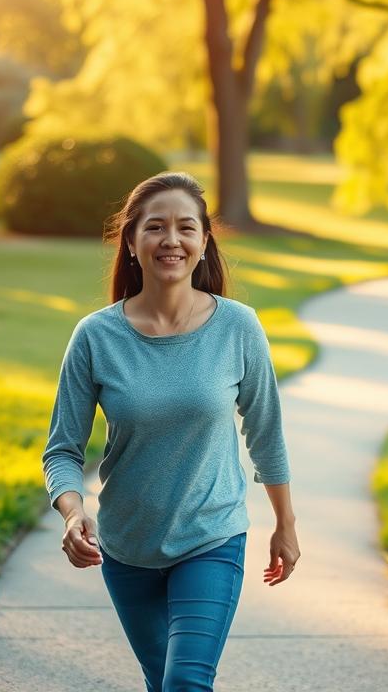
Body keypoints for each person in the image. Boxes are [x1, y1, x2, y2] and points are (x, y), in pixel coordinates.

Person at [42, 171, 299, 692]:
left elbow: (266, 433)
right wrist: (73, 515)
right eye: (156, 228)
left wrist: (285, 524)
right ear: (132, 243)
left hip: (212, 536)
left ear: (204, 243)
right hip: (126, 545)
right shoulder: (96, 336)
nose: (171, 240)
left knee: (184, 682)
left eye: (186, 228)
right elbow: (62, 450)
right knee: (161, 682)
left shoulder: (238, 327)